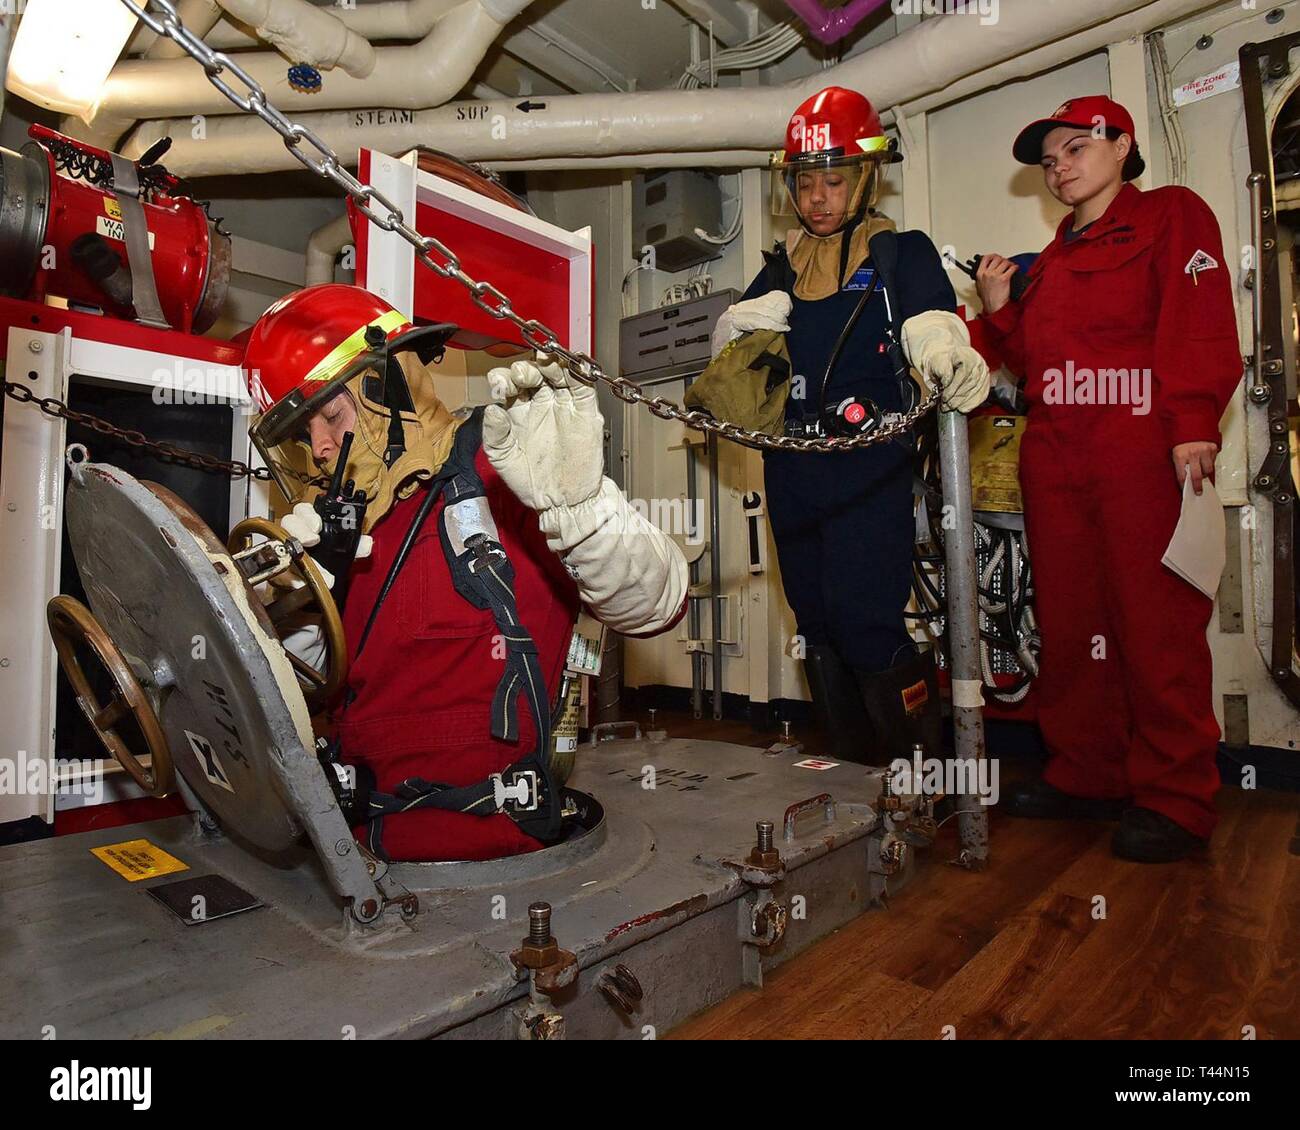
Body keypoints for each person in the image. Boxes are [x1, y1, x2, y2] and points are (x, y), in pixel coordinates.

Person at [241, 283, 688, 862]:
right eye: (302, 436)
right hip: (354, 860)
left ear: (390, 381)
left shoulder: (507, 463)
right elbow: (303, 689)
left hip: (495, 861)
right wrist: (293, 596)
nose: (321, 447)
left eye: (330, 414)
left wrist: (582, 512)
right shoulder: (338, 533)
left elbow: (657, 604)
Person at [975, 96, 1242, 862]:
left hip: (1141, 448)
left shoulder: (1172, 213)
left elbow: (1199, 314)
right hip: (1057, 456)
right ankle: (1088, 771)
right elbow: (1033, 367)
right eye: (1048, 159)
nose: (1058, 166)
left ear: (1121, 144)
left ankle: (1177, 797)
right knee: (1073, 626)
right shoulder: (1055, 256)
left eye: (1073, 148)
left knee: (1155, 623)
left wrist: (1193, 417)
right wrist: (999, 312)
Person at [715, 86, 990, 765]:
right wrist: (730, 335)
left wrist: (944, 350)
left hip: (871, 466)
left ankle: (919, 777)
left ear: (866, 179)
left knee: (868, 624)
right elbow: (737, 357)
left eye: (833, 180)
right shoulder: (779, 268)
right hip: (794, 469)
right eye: (806, 182)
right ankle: (852, 781)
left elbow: (931, 321)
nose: (818, 197)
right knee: (815, 625)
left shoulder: (900, 255)